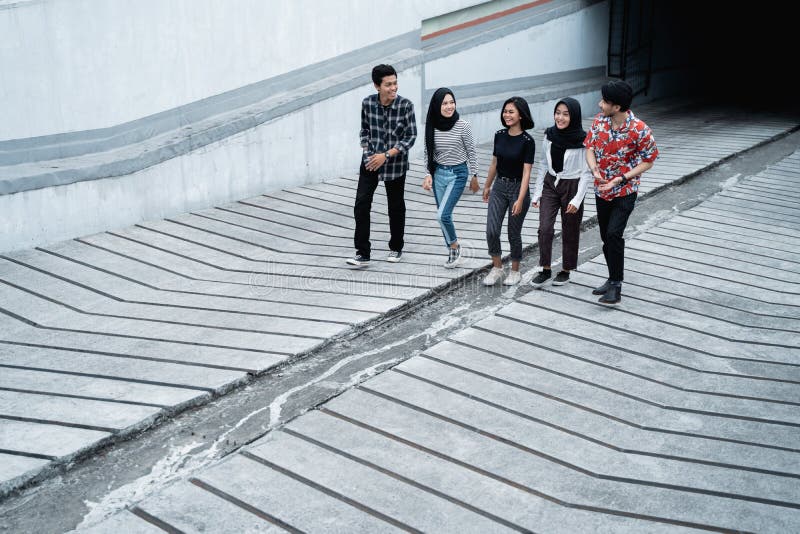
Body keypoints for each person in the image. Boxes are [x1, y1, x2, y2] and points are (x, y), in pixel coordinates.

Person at [584, 79, 658, 304]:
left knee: (614, 234)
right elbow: (589, 147)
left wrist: (622, 178)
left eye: (604, 101)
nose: (599, 104)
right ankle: (611, 277)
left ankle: (616, 284)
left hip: (626, 190)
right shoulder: (599, 122)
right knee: (606, 237)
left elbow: (649, 160)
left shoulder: (640, 130)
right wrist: (594, 167)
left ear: (616, 107)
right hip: (601, 190)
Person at [347, 64, 417, 267]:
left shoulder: (406, 106)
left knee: (395, 207)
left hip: (395, 165)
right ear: (377, 86)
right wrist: (370, 155)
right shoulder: (367, 103)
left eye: (395, 83)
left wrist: (385, 155)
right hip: (370, 162)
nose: (394, 87)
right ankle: (362, 253)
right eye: (388, 84)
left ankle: (396, 247)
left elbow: (410, 137)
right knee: (361, 205)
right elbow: (365, 132)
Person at [530, 97, 591, 288]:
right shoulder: (549, 135)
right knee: (545, 228)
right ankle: (546, 269)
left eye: (566, 114)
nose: (560, 118)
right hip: (550, 183)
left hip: (572, 186)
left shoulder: (583, 140)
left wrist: (578, 199)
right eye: (558, 113)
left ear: (574, 116)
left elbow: (587, 172)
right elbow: (542, 164)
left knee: (570, 229)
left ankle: (566, 270)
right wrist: (537, 192)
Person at [421, 88, 480, 268]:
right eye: (445, 103)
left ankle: (454, 246)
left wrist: (474, 175)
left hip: (458, 174)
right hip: (439, 174)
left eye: (451, 102)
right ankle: (452, 249)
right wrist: (428, 174)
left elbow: (471, 151)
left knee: (442, 215)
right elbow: (427, 152)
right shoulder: (431, 125)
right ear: (437, 106)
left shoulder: (463, 125)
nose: (449, 106)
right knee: (444, 216)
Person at [482, 96, 535, 286]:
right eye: (505, 111)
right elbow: (494, 163)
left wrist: (520, 199)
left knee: (513, 232)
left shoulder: (528, 141)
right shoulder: (499, 135)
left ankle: (515, 271)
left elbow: (527, 172)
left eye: (511, 111)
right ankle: (497, 267)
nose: (507, 115)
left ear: (521, 115)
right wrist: (487, 185)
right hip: (499, 186)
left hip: (518, 188)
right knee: (492, 230)